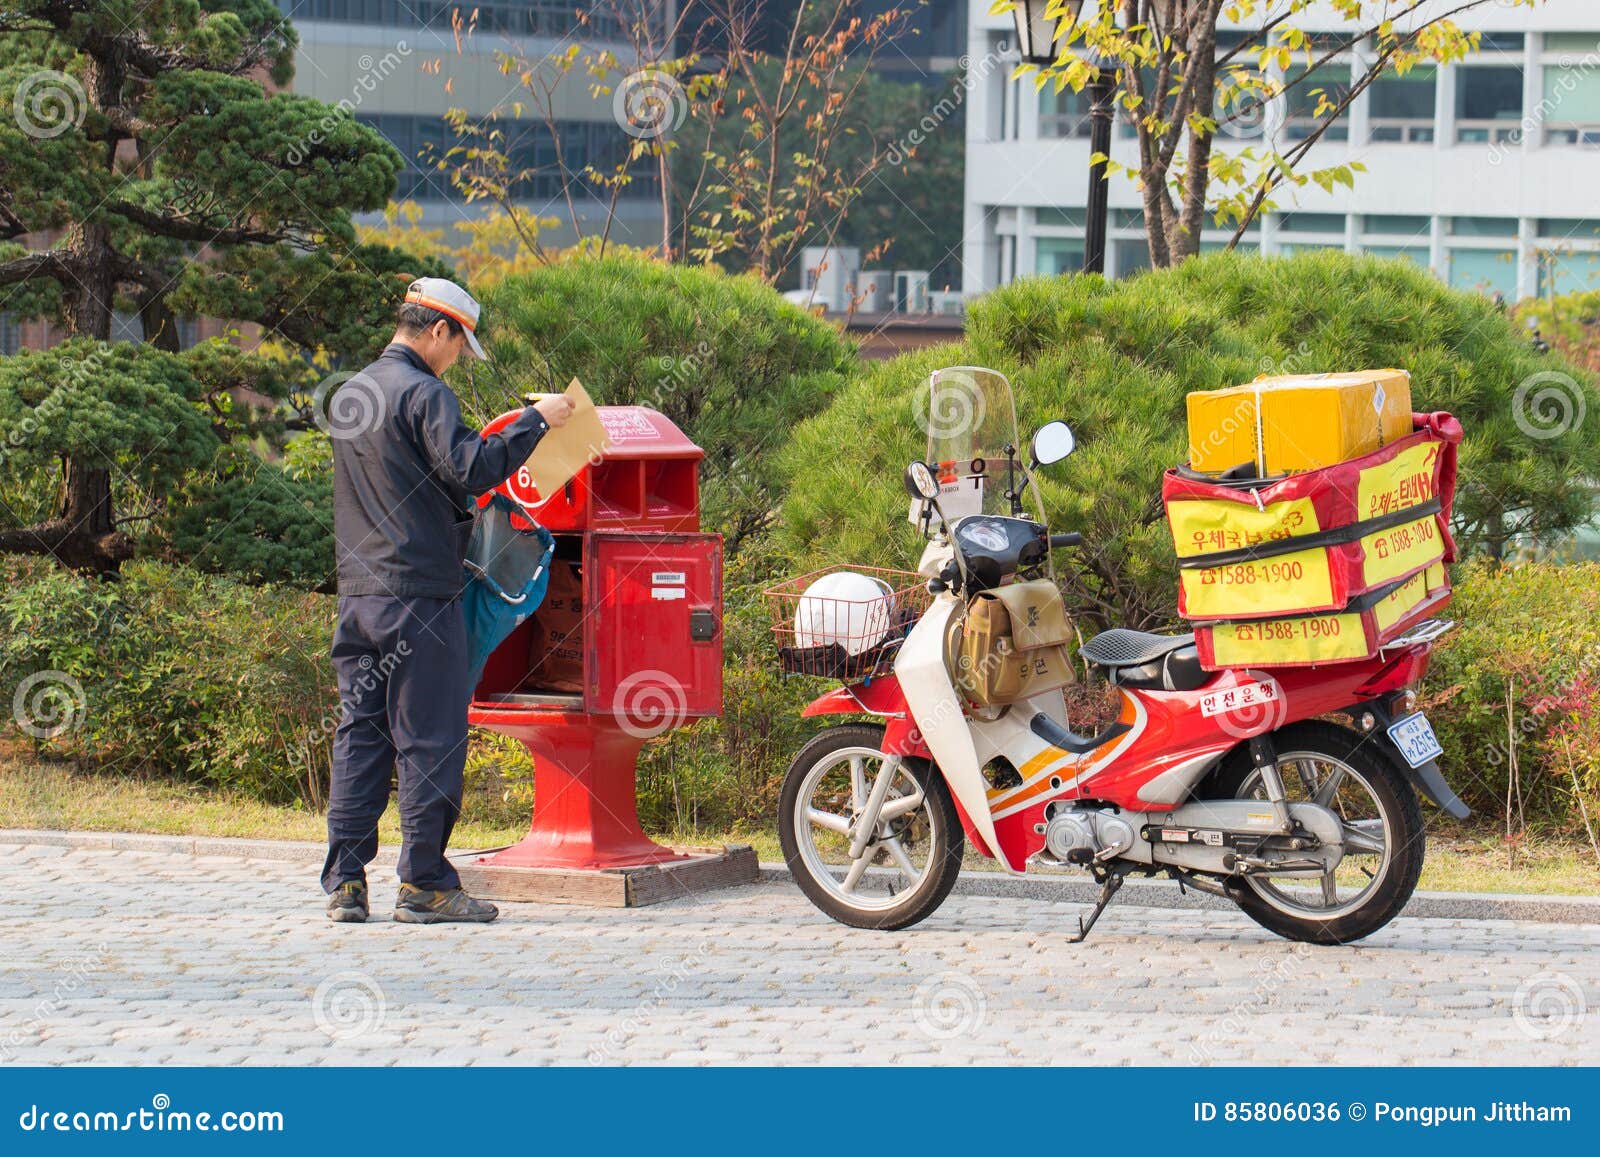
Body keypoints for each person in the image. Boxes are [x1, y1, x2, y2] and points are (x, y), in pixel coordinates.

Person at [321, 277, 573, 924]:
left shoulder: (354, 392)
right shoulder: (423, 393)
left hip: (359, 596)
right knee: (429, 739)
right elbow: (473, 468)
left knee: (361, 735)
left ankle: (347, 882)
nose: (457, 358)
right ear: (441, 330)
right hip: (420, 596)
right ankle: (426, 883)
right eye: (460, 346)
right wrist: (539, 419)